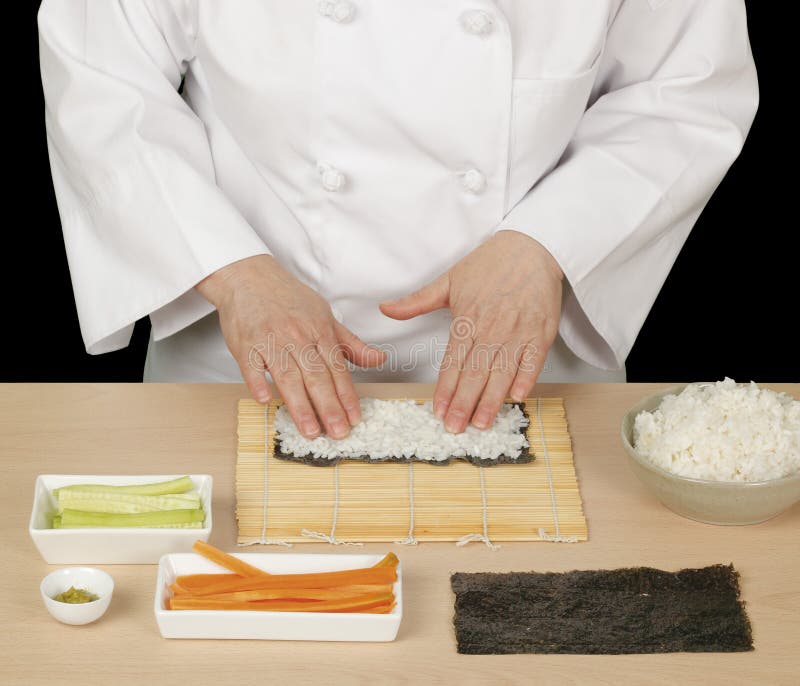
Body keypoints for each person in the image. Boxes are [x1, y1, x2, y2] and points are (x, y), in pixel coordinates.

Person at [38, 1, 758, 439]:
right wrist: (234, 274)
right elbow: (103, 85)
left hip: (528, 380)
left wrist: (547, 245)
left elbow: (685, 95)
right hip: (241, 376)